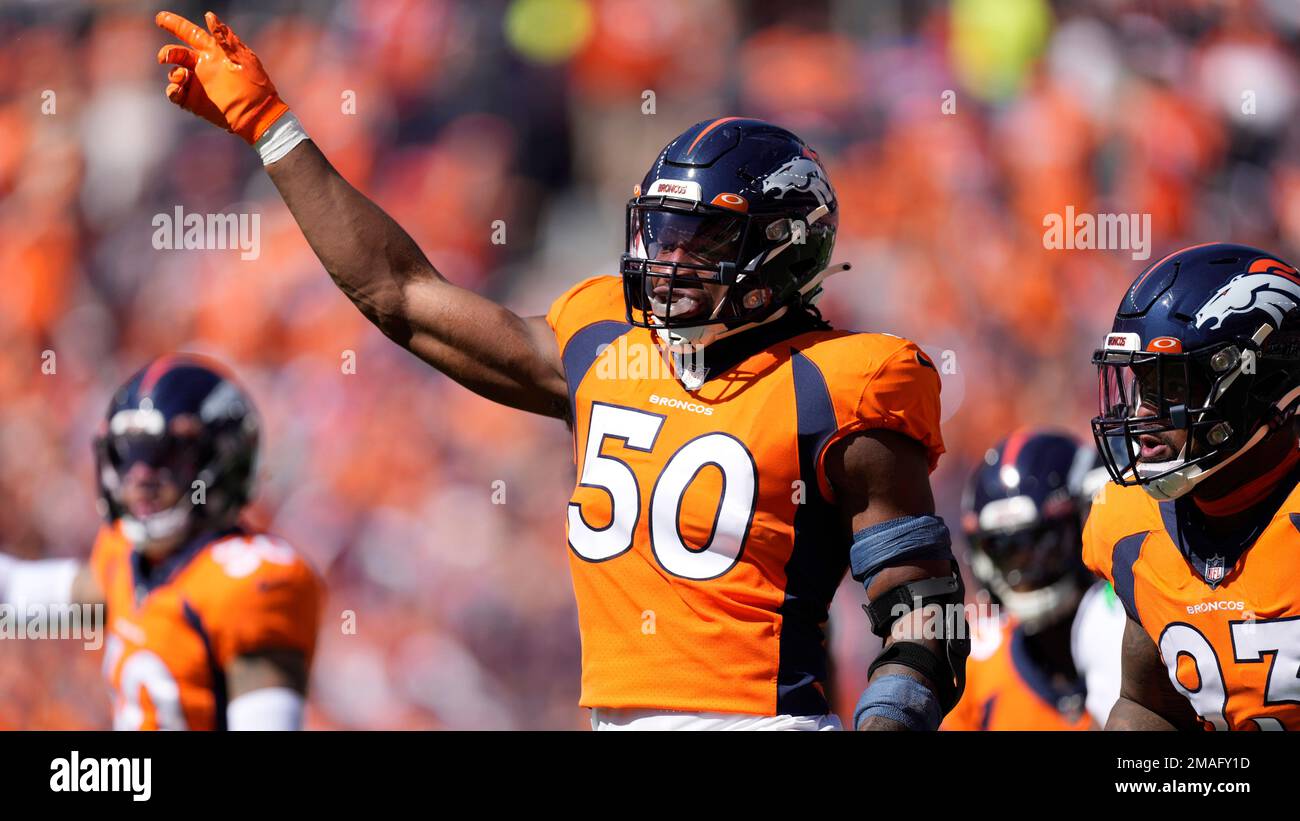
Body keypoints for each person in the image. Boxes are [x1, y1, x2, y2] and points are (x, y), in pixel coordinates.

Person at [152, 11, 970, 730]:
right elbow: (398, 294)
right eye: (663, 232)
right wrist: (271, 127)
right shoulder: (603, 341)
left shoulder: (845, 383)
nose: (670, 260)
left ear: (789, 250)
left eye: (703, 241)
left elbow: (923, 617)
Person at [0, 354, 322, 730]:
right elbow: (14, 598)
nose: (140, 475)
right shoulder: (126, 558)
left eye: (165, 454)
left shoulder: (247, 583)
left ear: (223, 459)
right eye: (129, 453)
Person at [1084, 242, 1300, 730]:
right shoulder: (1132, 521)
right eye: (1142, 386)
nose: (1143, 414)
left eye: (1173, 387)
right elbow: (1149, 707)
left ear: (1257, 383)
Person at [943, 430, 1116, 730]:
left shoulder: (1133, 632)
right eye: (1006, 549)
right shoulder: (977, 670)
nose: (1026, 567)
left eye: (1043, 542)